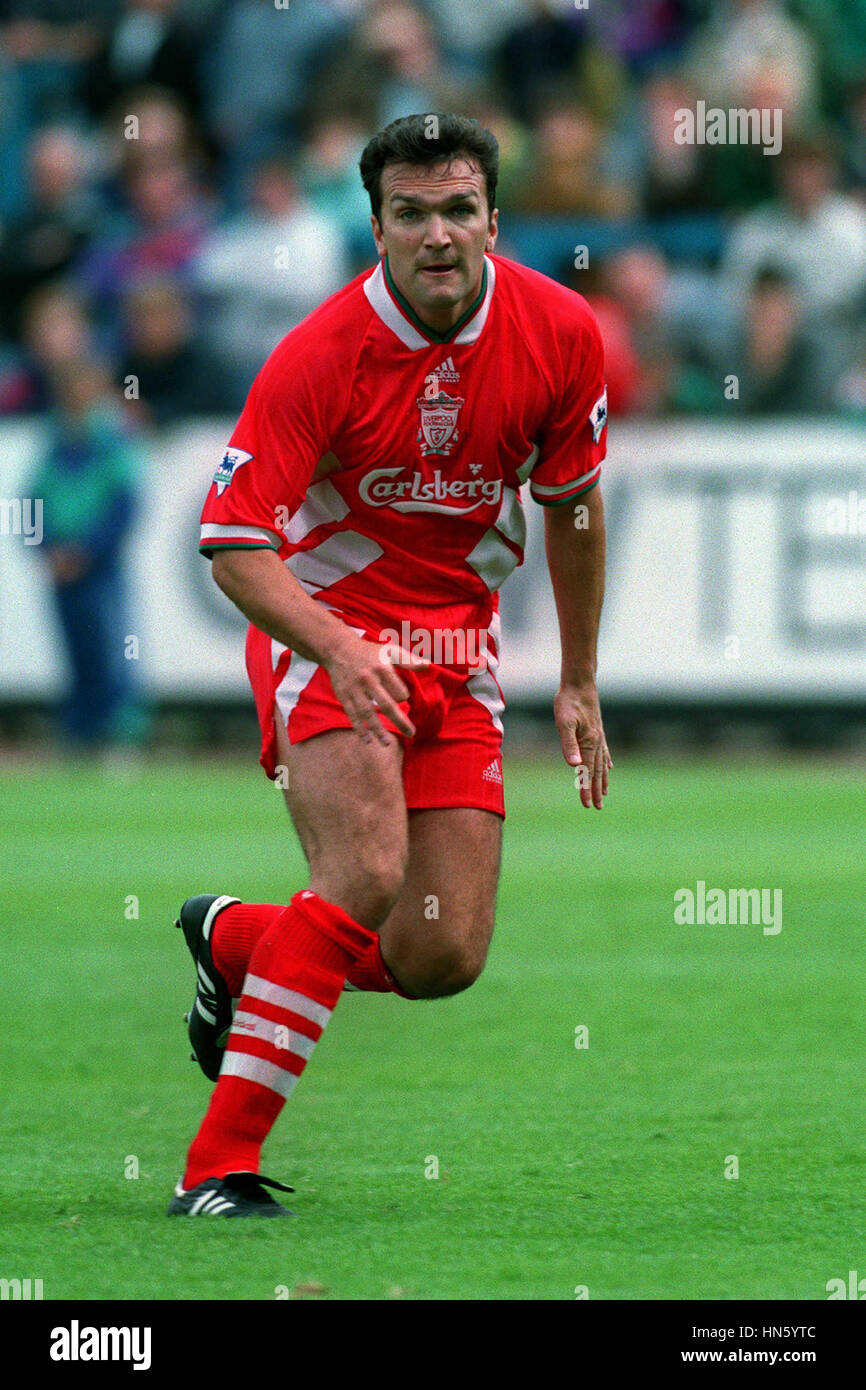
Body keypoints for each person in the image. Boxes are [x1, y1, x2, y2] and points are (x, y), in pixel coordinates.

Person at [169, 113, 611, 1219]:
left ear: (493, 221)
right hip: (325, 626)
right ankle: (213, 1168)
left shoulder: (560, 334)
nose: (436, 234)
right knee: (362, 875)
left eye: (457, 208)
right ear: (374, 228)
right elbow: (231, 541)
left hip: (456, 650)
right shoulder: (319, 352)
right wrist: (333, 643)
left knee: (436, 950)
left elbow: (571, 509)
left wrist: (578, 677)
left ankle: (234, 939)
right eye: (409, 213)